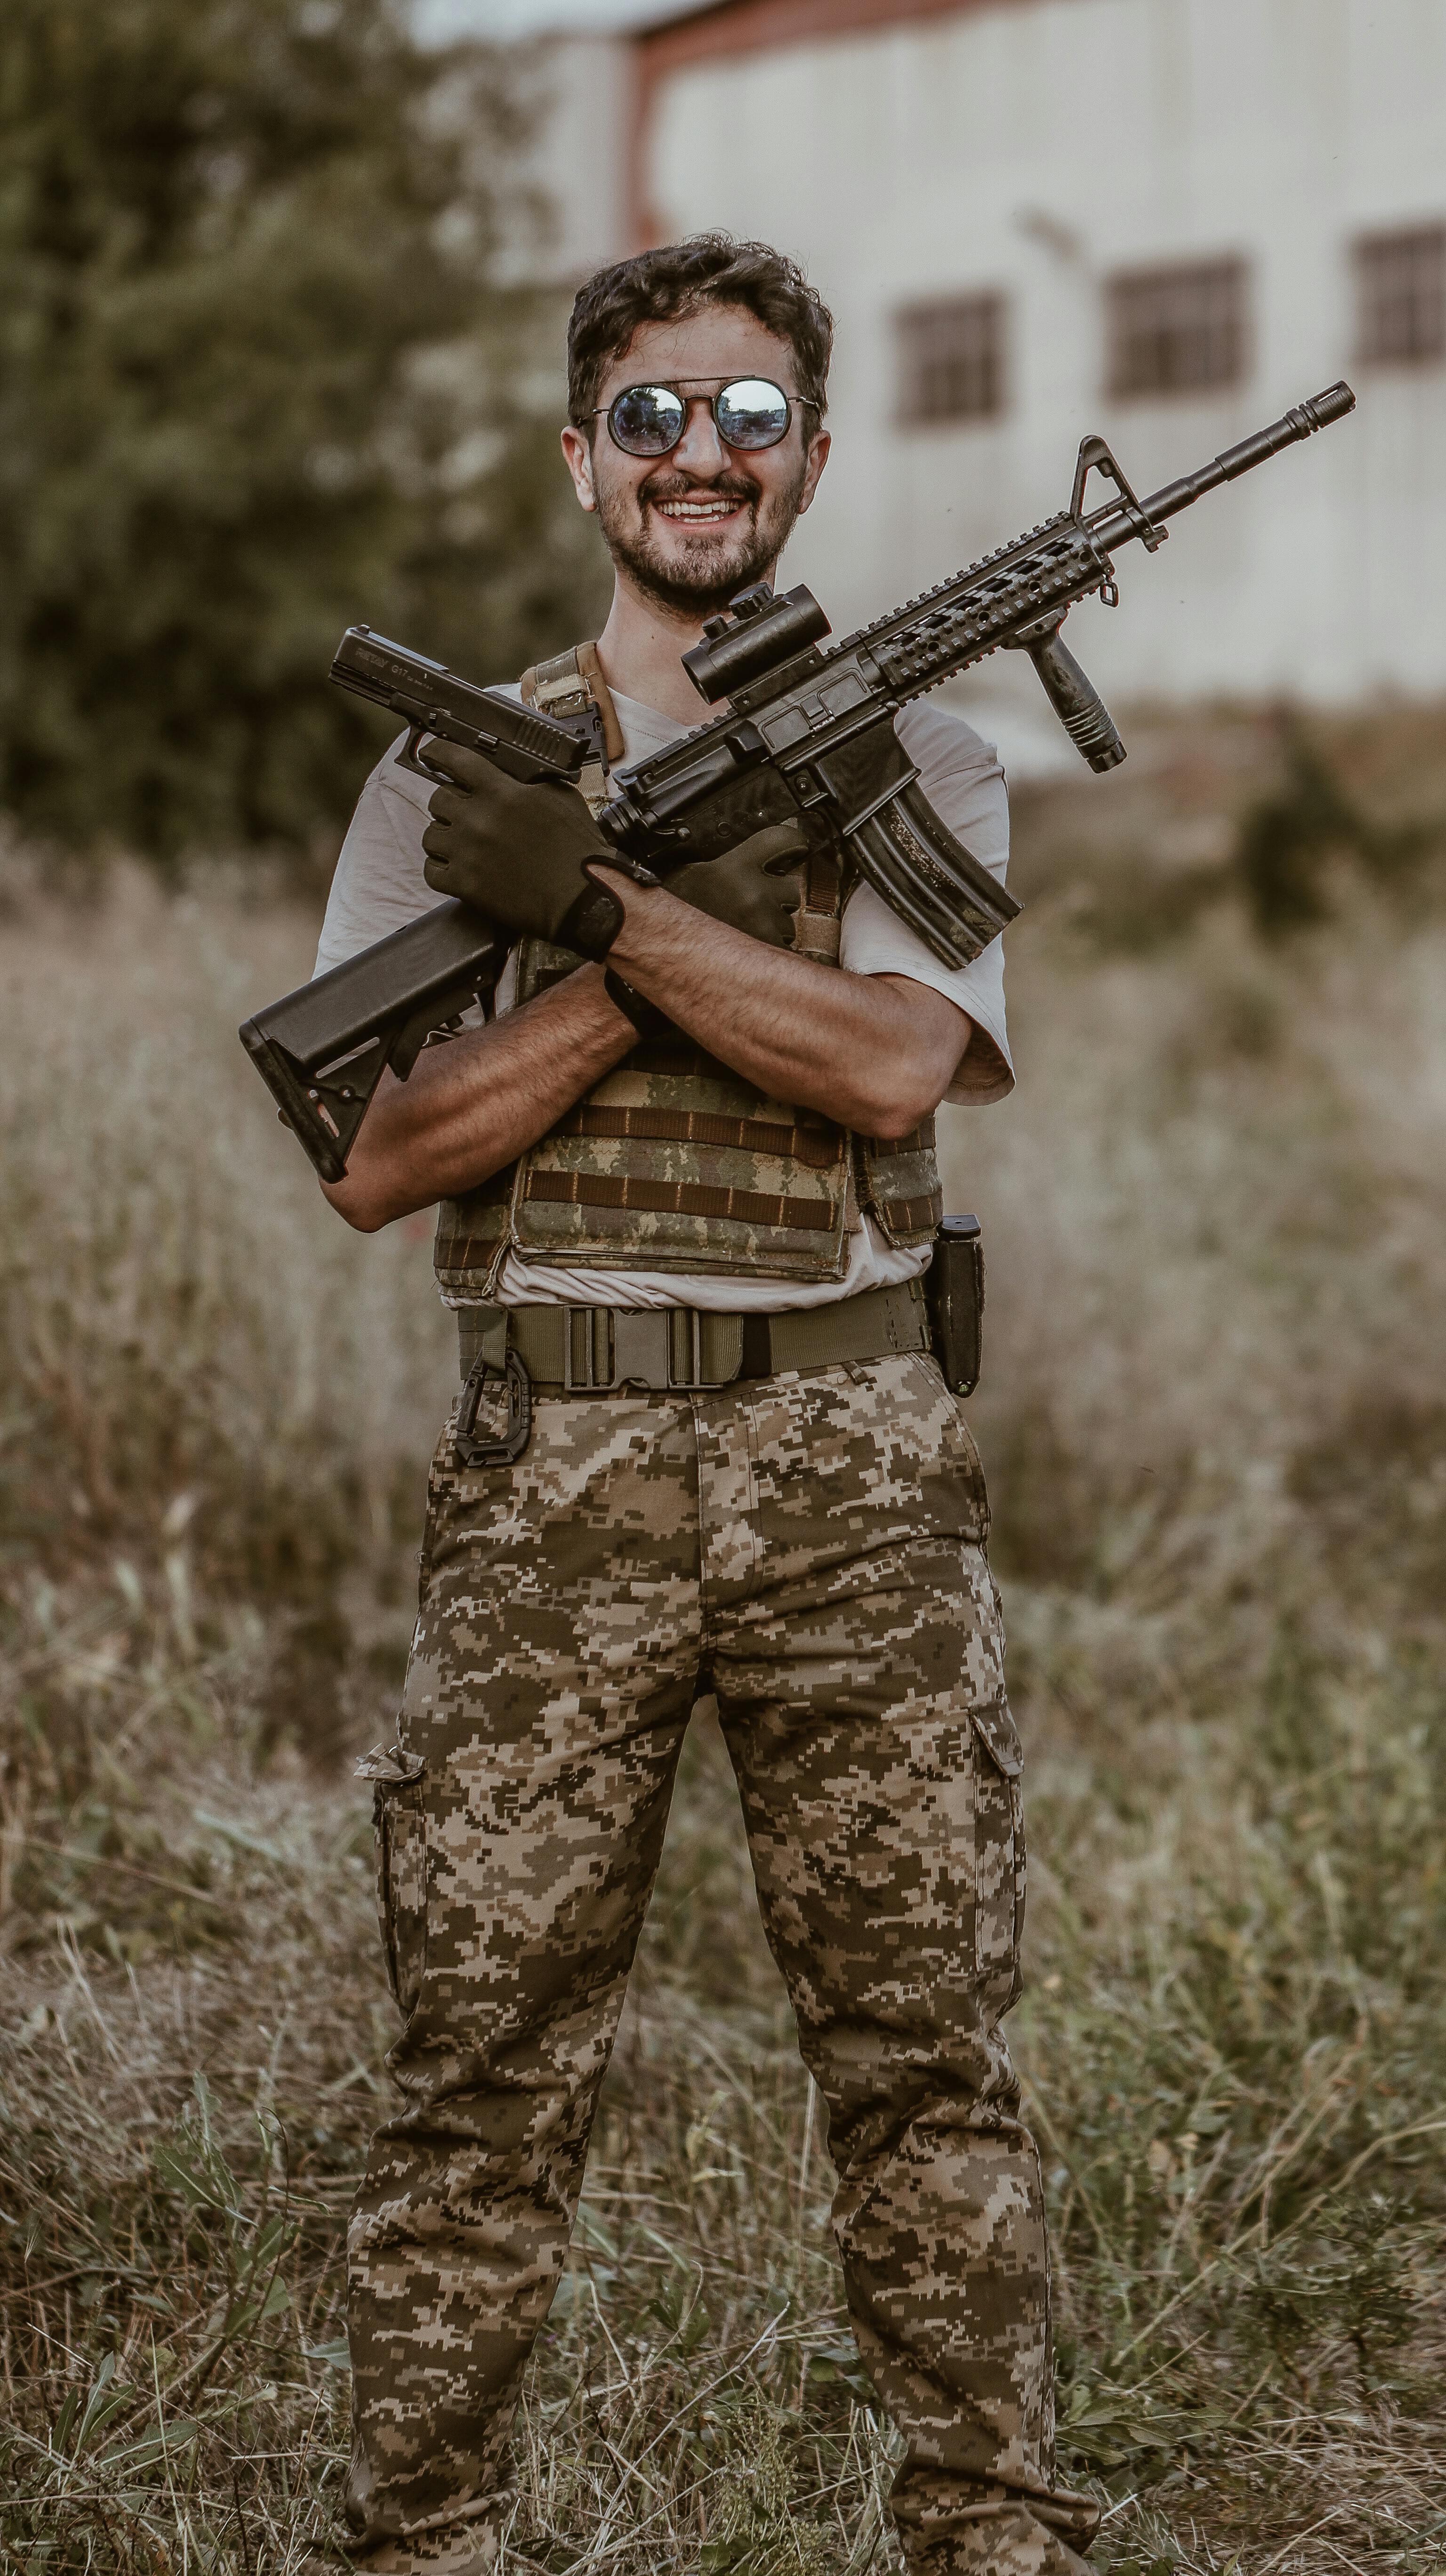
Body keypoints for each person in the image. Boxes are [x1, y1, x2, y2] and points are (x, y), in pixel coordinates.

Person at [316, 233, 1098, 2576]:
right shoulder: (458, 787)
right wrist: (600, 905)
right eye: (651, 415)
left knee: (926, 2057)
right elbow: (378, 1153)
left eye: (752, 415)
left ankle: (992, 2528)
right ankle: (423, 2537)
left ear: (814, 456)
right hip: (554, 1470)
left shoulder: (912, 749)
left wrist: (642, 913)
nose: (701, 458)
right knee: (479, 2073)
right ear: (584, 460)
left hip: (852, 1468)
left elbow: (885, 1068)